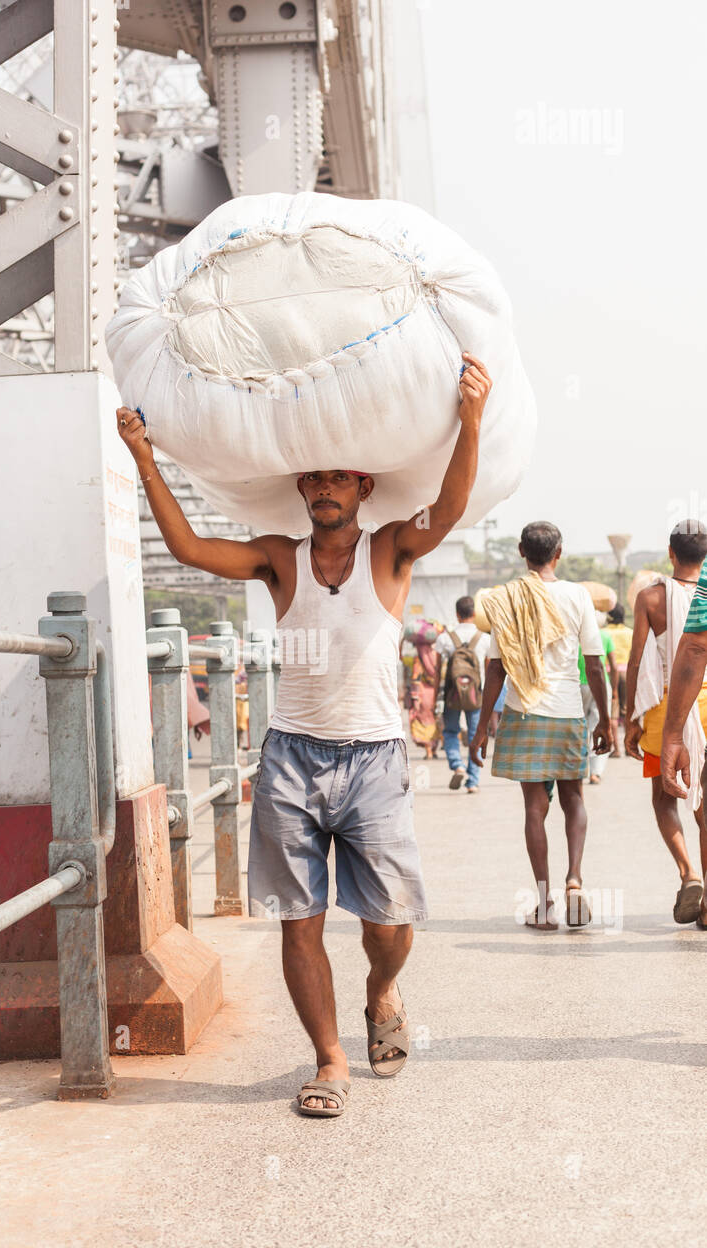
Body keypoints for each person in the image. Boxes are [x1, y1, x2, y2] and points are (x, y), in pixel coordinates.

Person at [117, 351, 493, 1115]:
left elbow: (448, 510)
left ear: (363, 487)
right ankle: (328, 1063)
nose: (325, 488)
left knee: (389, 922)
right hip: (290, 756)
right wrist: (143, 459)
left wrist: (471, 416)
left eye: (339, 478)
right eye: (313, 478)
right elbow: (190, 551)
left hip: (376, 758)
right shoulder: (276, 560)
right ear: (302, 488)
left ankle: (382, 990)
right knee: (300, 920)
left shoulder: (390, 549)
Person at [469, 521, 611, 929]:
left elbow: (495, 668)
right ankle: (575, 878)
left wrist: (481, 729)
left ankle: (545, 904)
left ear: (520, 551)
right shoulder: (578, 595)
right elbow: (595, 664)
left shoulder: (507, 597)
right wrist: (605, 720)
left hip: (524, 709)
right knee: (575, 800)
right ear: (559, 553)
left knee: (535, 808)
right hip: (568, 711)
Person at [625, 521, 707, 923]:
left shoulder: (651, 597)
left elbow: (637, 660)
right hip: (706, 701)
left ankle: (689, 871)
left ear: (670, 552)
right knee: (705, 804)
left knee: (664, 797)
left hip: (666, 706)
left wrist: (628, 719)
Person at [661, 535, 707, 927]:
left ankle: (692, 878)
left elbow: (696, 647)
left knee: (673, 800)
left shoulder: (650, 596)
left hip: (685, 703)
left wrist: (672, 733)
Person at [433, 595, 490, 792]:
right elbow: (490, 672)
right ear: (474, 614)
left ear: (457, 614)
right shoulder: (484, 639)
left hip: (452, 695)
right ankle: (473, 782)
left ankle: (457, 764)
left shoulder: (444, 638)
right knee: (476, 735)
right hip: (476, 695)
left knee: (450, 731)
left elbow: (437, 671)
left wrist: (435, 697)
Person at [578, 621, 617, 784]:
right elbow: (613, 666)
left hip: (577, 684)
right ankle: (596, 772)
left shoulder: (576, 637)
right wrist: (614, 689)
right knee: (599, 724)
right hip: (600, 685)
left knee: (580, 727)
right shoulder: (605, 636)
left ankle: (579, 769)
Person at [404, 619, 443, 758]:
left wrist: (415, 697)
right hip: (435, 692)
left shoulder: (419, 658)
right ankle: (434, 748)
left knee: (422, 721)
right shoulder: (436, 655)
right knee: (434, 720)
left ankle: (428, 750)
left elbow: (416, 677)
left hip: (422, 693)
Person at [605, 601, 632, 756]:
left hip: (610, 673)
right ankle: (629, 746)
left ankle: (616, 749)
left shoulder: (604, 632)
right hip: (628, 673)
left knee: (612, 711)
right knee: (628, 710)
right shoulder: (630, 632)